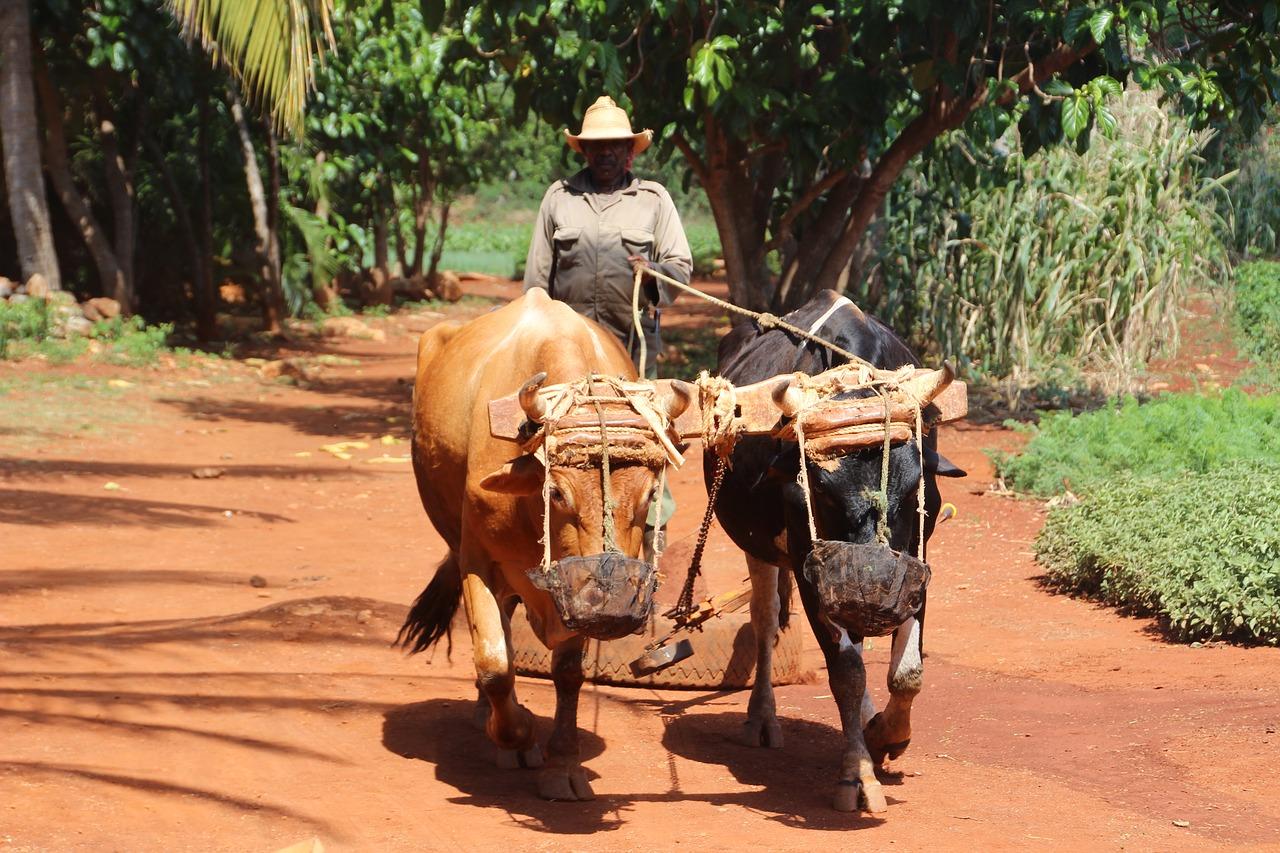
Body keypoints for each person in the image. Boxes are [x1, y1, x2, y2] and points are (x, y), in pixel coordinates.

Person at [523, 95, 693, 379]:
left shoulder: (653, 199)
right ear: (585, 150)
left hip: (632, 346)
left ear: (629, 150)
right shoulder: (559, 197)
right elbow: (536, 282)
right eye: (597, 145)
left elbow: (680, 266)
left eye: (614, 144)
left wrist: (654, 273)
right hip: (567, 347)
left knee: (638, 421)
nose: (606, 152)